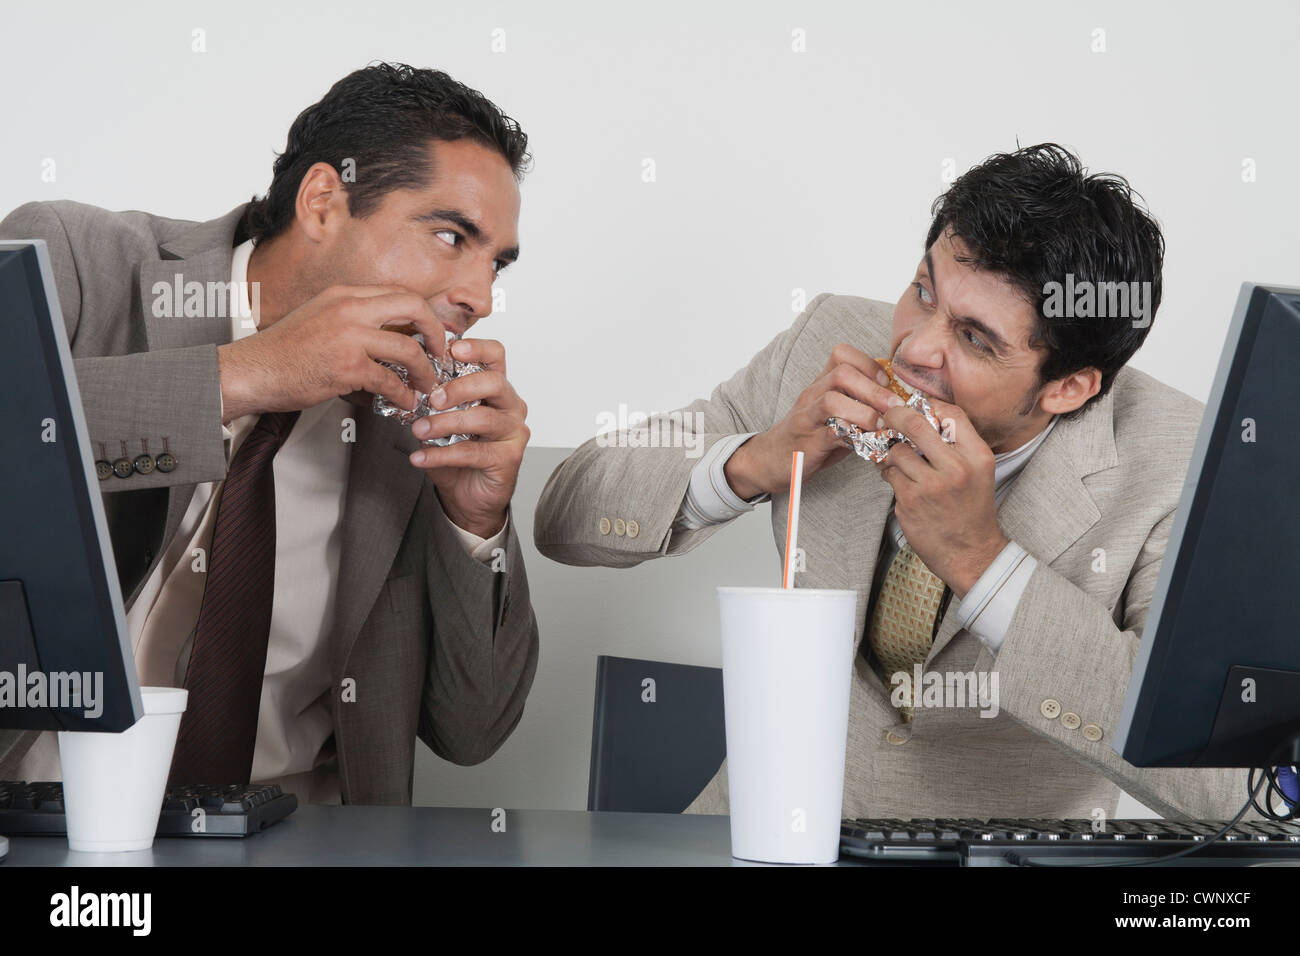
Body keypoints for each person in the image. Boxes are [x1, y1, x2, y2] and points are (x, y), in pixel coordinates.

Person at [534, 144, 1252, 821]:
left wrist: (984, 564)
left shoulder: (1182, 462)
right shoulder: (829, 341)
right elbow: (567, 517)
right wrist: (760, 457)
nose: (911, 348)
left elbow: (1225, 784)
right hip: (755, 843)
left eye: (974, 338)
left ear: (1067, 388)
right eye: (921, 291)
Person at [0, 63, 539, 806]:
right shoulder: (75, 262)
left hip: (294, 836)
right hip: (35, 818)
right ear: (323, 201)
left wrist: (474, 524)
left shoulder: (422, 424)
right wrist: (246, 374)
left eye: (496, 265)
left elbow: (472, 732)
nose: (479, 296)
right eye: (451, 236)